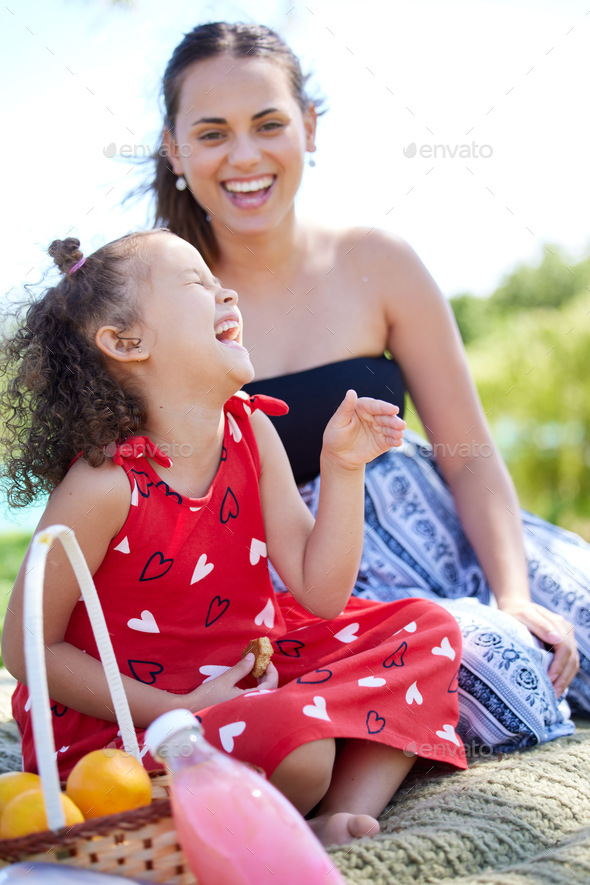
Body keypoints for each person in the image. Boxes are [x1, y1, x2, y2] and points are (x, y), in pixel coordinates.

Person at [146, 21, 589, 752]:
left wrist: (515, 592)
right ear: (174, 149)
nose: (246, 155)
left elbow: (470, 455)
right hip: (319, 579)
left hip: (459, 530)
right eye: (214, 132)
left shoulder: (377, 261)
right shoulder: (159, 302)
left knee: (567, 612)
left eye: (268, 124)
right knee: (499, 663)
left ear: (309, 127)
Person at [0, 230, 466, 846]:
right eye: (198, 284)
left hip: (245, 674)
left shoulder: (250, 430)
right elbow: (26, 647)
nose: (229, 294)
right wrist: (179, 708)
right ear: (125, 342)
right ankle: (289, 790)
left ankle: (341, 814)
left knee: (427, 629)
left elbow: (321, 593)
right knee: (302, 752)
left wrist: (343, 468)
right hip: (128, 723)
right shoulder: (104, 483)